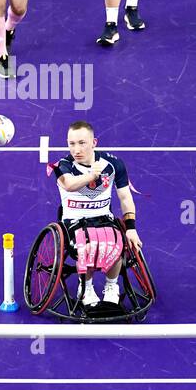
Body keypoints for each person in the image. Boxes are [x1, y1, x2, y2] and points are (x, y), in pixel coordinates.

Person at [51, 120, 142, 308]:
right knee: (89, 245)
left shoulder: (114, 164)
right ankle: (86, 287)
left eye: (82, 143)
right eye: (71, 143)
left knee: (116, 243)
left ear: (94, 143)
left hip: (104, 219)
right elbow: (69, 184)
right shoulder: (62, 165)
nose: (76, 149)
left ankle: (111, 286)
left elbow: (125, 198)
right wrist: (92, 176)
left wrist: (131, 229)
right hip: (74, 221)